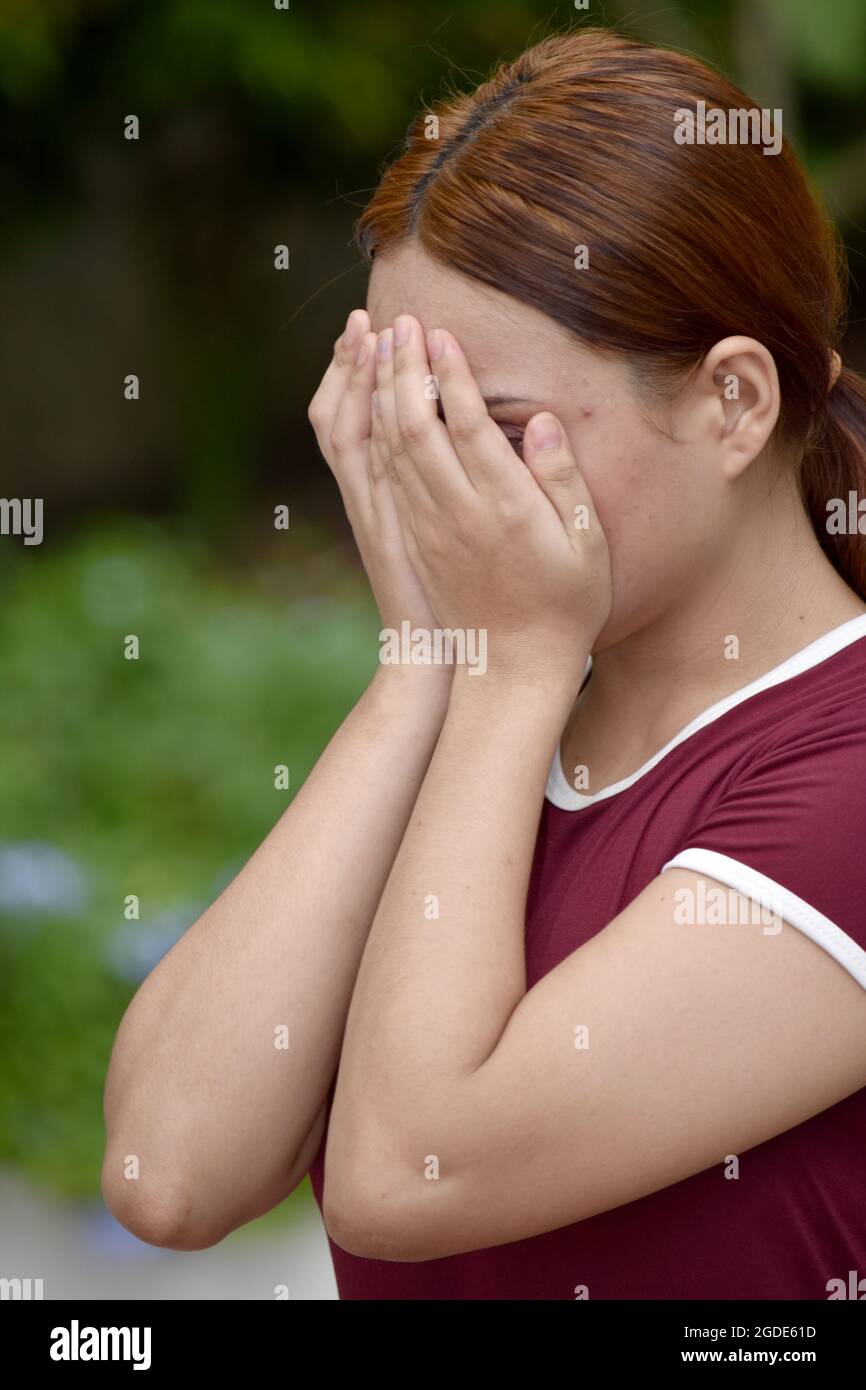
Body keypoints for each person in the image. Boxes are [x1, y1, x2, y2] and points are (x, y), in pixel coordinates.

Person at [102, 27, 866, 1299]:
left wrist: (505, 666)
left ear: (732, 402)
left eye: (493, 429)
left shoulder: (832, 772)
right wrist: (425, 662)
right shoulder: (495, 717)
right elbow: (167, 1173)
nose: (437, 483)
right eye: (411, 422)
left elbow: (411, 1175)